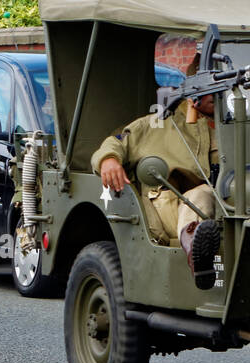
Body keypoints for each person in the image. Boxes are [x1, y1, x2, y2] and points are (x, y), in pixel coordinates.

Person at [89, 68, 222, 289]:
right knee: (201, 194)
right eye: (209, 88)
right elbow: (117, 142)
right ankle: (197, 251)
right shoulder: (158, 124)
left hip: (231, 207)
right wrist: (108, 160)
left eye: (221, 89)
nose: (216, 96)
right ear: (192, 92)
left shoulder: (240, 125)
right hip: (174, 213)